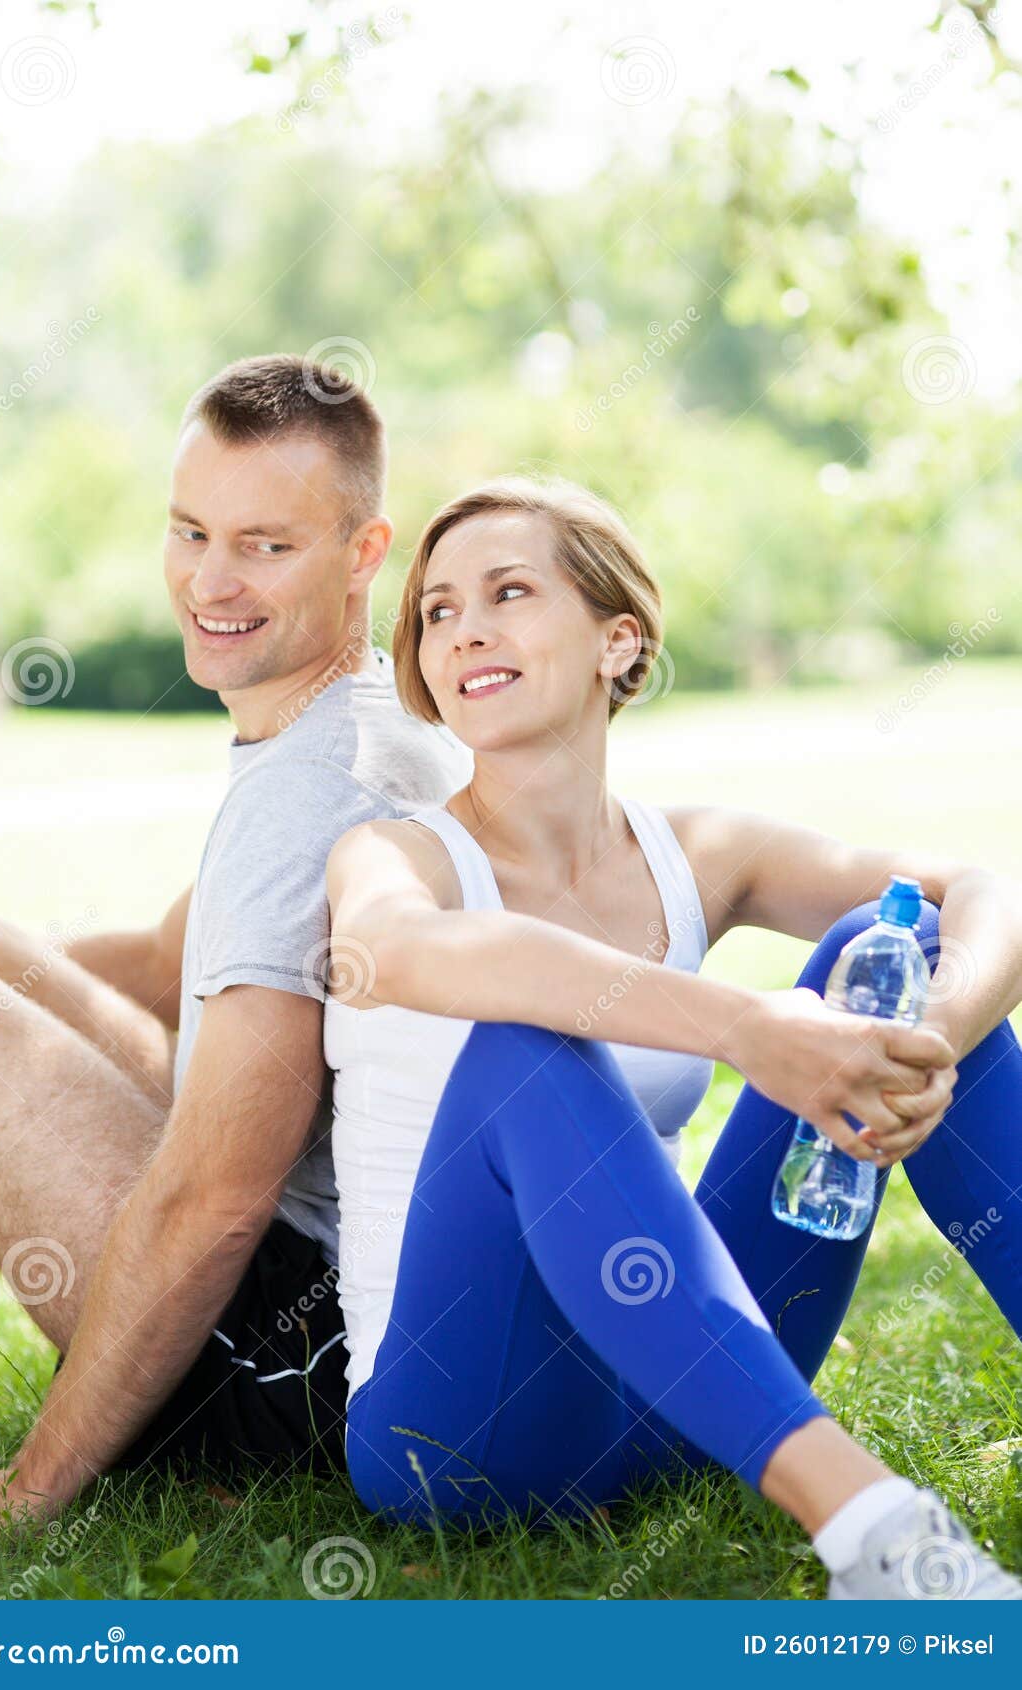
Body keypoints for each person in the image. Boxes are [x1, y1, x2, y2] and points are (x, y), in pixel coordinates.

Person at [324, 475, 1022, 1599]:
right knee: (522, 1046)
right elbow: (407, 952)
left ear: (618, 642)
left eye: (508, 591)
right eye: (437, 610)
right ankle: (874, 1534)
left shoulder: (694, 847)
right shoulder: (389, 858)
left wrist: (921, 1038)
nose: (466, 630)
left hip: (684, 1396)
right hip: (465, 1431)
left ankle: (813, 1466)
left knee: (879, 948)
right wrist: (748, 1027)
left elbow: (978, 894)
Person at [0, 355, 470, 1538]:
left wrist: (29, 1489)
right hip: (337, 1290)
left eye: (264, 545)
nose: (210, 579)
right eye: (190, 531)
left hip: (298, 1367)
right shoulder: (366, 724)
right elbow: (163, 954)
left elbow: (217, 1204)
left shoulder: (311, 793)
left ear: (360, 553)